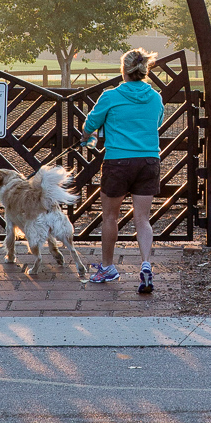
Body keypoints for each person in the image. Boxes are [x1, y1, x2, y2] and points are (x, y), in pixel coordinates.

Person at [81, 48, 164, 291]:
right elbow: (157, 123)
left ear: (123, 70)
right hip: (148, 161)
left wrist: (87, 137)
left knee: (110, 217)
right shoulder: (155, 98)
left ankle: (108, 267)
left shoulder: (111, 96)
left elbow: (90, 125)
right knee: (143, 219)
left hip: (118, 162)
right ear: (145, 70)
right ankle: (146, 264)